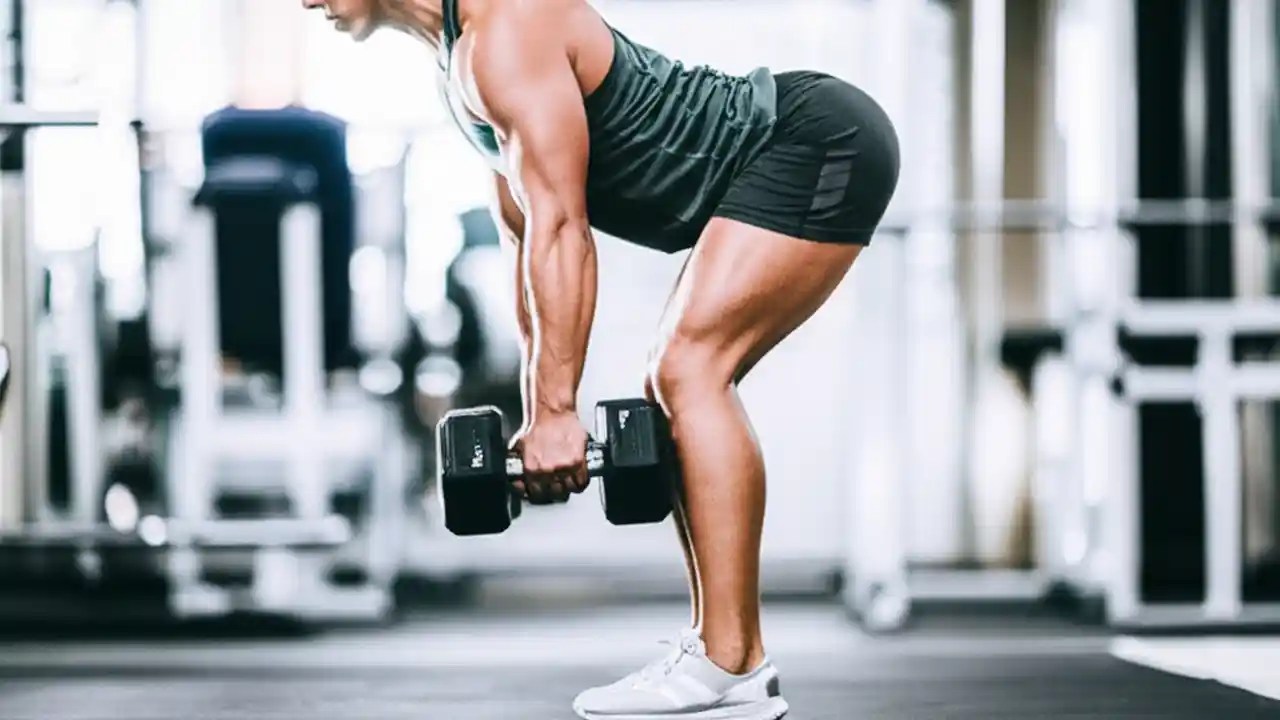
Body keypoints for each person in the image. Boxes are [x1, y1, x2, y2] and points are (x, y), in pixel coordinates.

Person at [304, 1, 900, 718]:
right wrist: (539, 409)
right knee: (674, 374)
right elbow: (525, 239)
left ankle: (733, 665)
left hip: (813, 139)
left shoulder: (506, 32)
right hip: (789, 147)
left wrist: (560, 411)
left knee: (687, 370)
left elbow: (563, 224)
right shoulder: (460, 62)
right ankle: (719, 654)